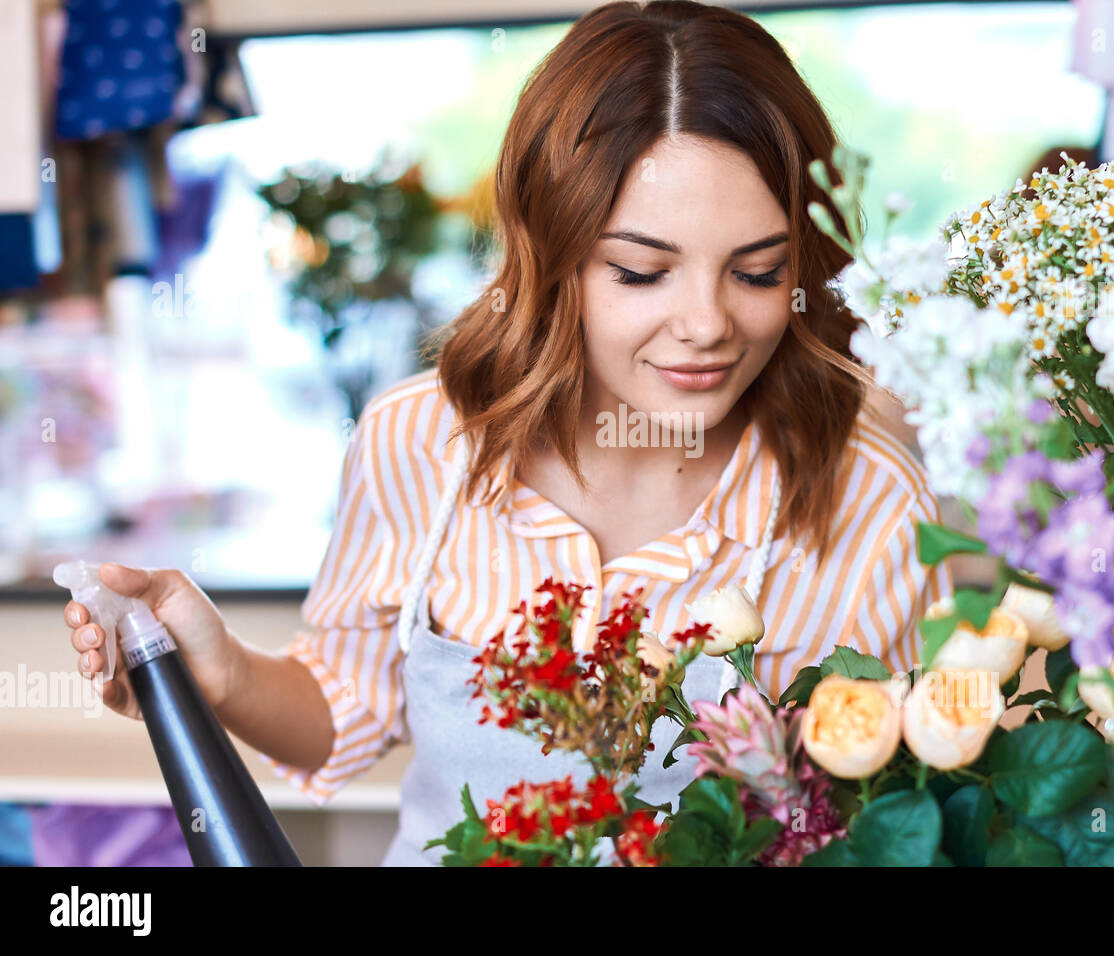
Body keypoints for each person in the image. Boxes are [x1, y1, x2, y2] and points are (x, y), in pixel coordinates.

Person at [63, 0, 953, 865]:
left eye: (757, 272)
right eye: (642, 272)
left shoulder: (869, 502)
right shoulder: (419, 443)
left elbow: (897, 822)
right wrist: (220, 672)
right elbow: (347, 708)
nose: (707, 323)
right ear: (551, 252)